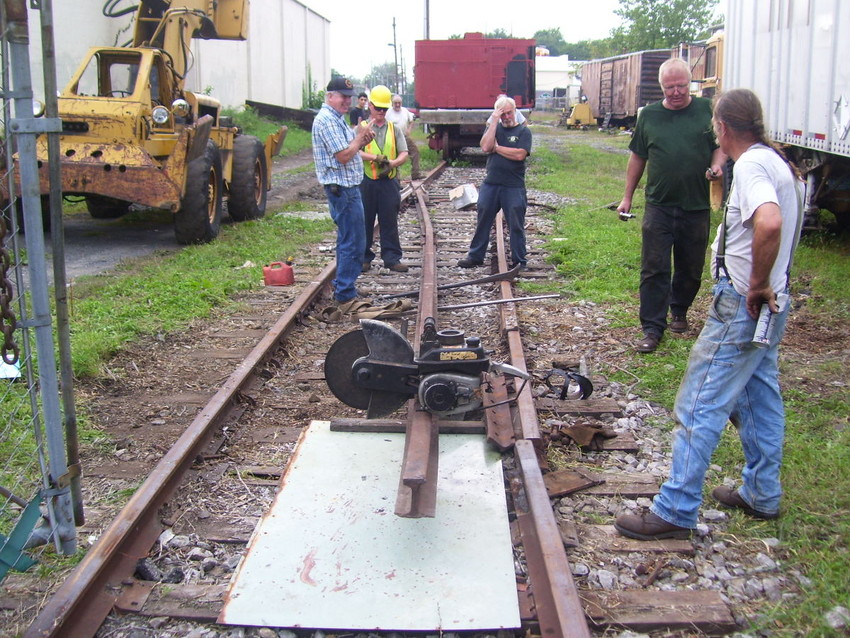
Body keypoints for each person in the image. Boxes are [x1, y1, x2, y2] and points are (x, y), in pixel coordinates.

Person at [614, 88, 803, 541]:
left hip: (745, 303)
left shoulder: (754, 165)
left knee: (699, 402)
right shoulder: (778, 162)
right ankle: (761, 492)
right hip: (772, 304)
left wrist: (754, 283)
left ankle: (676, 509)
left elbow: (769, 222)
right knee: (759, 396)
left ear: (721, 126)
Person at [617, 58, 727, 354]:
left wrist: (717, 168)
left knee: (691, 267)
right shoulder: (650, 116)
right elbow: (637, 157)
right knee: (654, 268)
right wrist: (627, 196)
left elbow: (720, 147)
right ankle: (652, 328)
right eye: (669, 87)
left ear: (690, 83)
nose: (676, 92)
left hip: (696, 205)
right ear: (661, 86)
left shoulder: (706, 110)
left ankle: (679, 309)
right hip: (659, 205)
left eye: (681, 86)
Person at [312, 76, 375, 306]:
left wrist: (361, 138)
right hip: (343, 190)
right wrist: (359, 138)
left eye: (349, 97)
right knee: (353, 241)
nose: (347, 101)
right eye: (343, 97)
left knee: (351, 240)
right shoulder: (327, 121)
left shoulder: (336, 119)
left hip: (347, 188)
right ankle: (346, 293)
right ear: (330, 96)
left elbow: (351, 148)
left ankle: (346, 287)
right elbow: (344, 155)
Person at [457, 95, 532, 270]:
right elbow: (485, 147)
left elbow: (519, 155)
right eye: (502, 114)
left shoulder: (523, 131)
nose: (506, 117)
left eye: (509, 113)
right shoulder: (495, 128)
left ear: (515, 111)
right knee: (483, 220)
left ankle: (520, 260)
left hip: (513, 186)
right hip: (491, 184)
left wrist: (497, 148)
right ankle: (475, 256)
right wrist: (493, 122)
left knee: (516, 224)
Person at [358, 85, 410, 273]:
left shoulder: (394, 129)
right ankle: (363, 258)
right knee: (365, 220)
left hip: (388, 181)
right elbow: (354, 151)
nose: (381, 112)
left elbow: (404, 152)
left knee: (389, 220)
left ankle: (392, 258)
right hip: (367, 181)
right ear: (370, 106)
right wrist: (374, 158)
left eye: (384, 109)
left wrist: (393, 163)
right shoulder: (361, 128)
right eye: (378, 108)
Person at [385, 94, 422, 180]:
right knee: (395, 157)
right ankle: (396, 179)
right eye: (395, 103)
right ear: (392, 103)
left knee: (415, 152)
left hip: (404, 137)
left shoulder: (405, 111)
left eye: (399, 103)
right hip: (392, 138)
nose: (397, 105)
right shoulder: (388, 113)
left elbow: (412, 119)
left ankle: (415, 173)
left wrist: (409, 129)